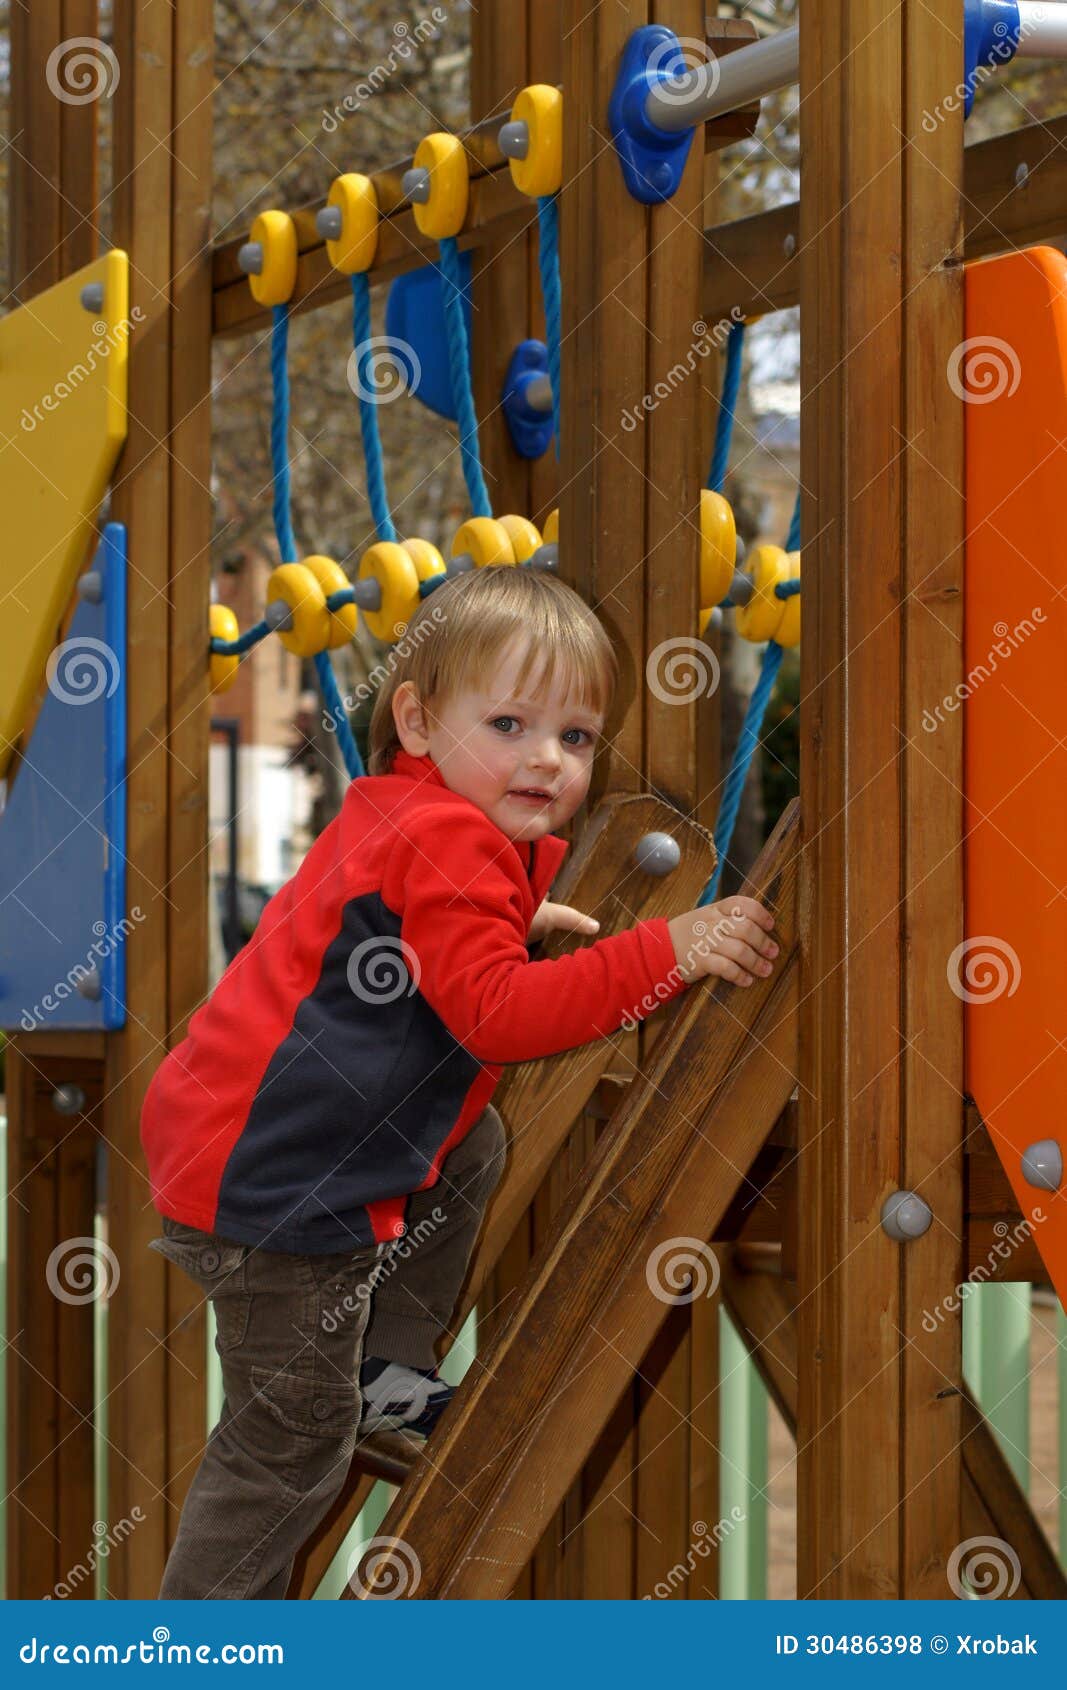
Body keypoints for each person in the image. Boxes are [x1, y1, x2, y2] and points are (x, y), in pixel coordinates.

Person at [141, 562, 778, 1598]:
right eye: (512, 724)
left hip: (270, 1144)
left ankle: (386, 1376)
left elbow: (376, 935)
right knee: (287, 1440)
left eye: (574, 737)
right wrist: (669, 950)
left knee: (471, 1142)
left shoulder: (413, 817)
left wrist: (507, 926)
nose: (547, 759)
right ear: (419, 721)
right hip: (271, 1186)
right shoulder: (448, 838)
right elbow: (499, 1017)